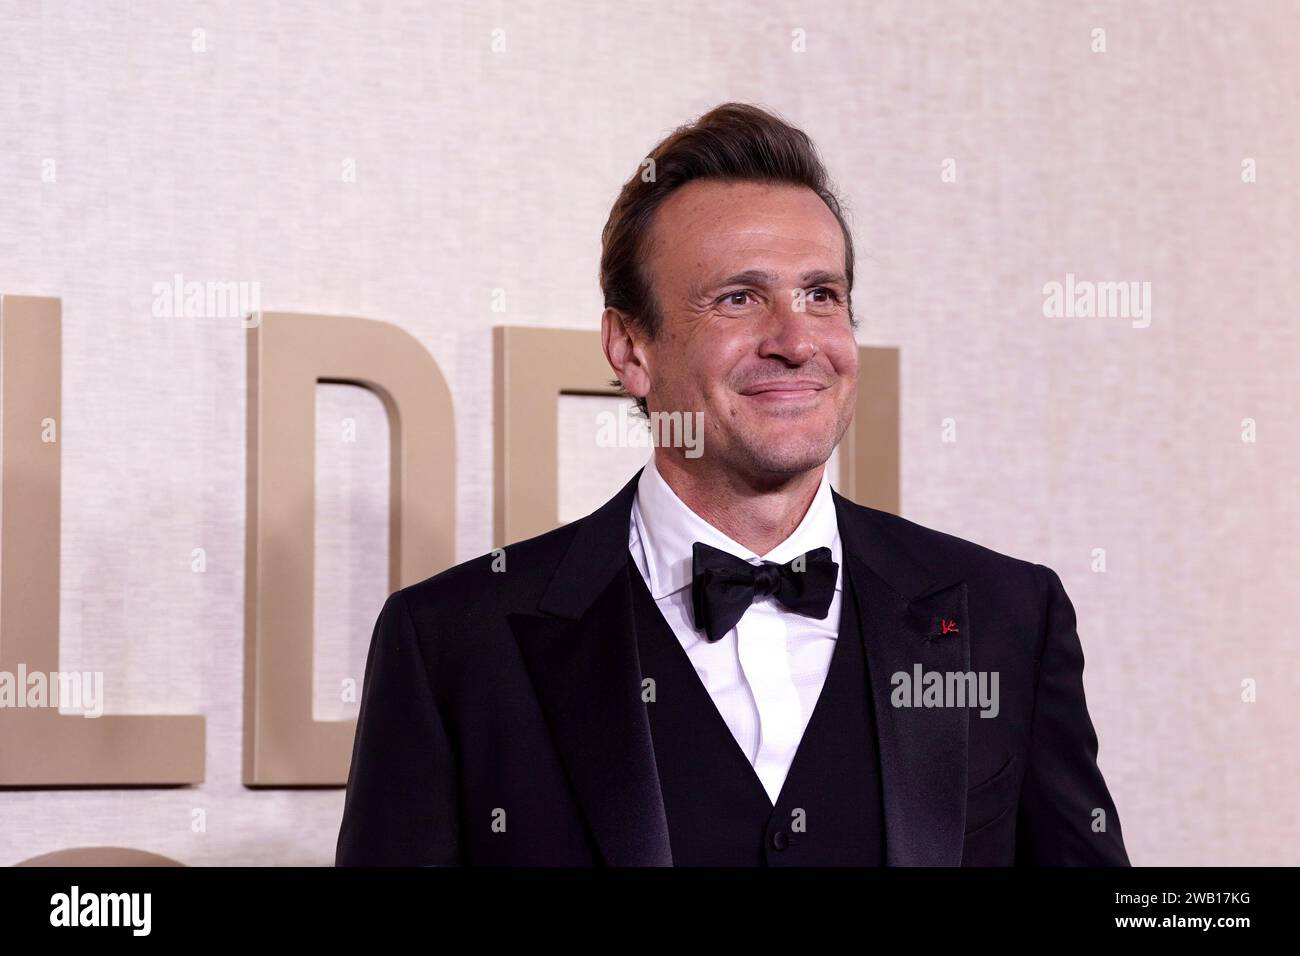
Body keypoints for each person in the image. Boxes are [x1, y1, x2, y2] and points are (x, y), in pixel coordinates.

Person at [335, 102, 1129, 866]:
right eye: (739, 298)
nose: (795, 341)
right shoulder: (451, 645)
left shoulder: (1008, 616)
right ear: (630, 346)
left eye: (822, 295)